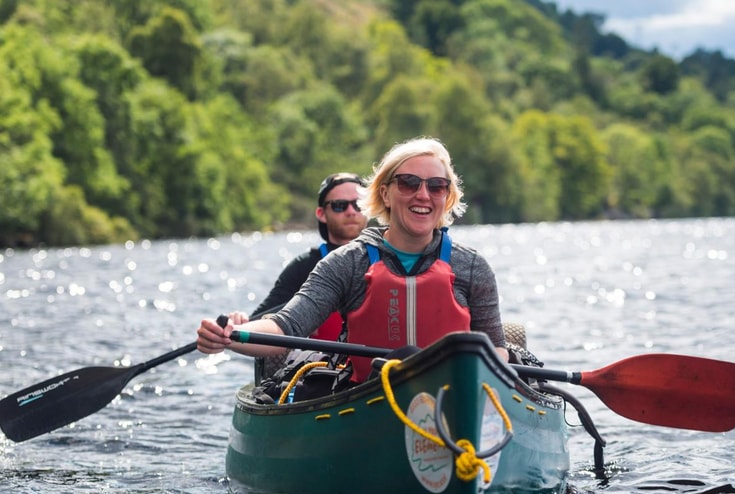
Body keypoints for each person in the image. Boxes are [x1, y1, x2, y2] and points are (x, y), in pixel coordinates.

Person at [198, 136, 508, 382]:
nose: (423, 195)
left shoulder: (472, 266)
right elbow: (284, 329)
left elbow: (496, 350)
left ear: (447, 197)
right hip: (369, 396)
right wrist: (228, 337)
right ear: (385, 194)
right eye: (409, 183)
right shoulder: (347, 263)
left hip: (453, 396)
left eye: (437, 186)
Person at [229, 172, 367, 342]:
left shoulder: (388, 257)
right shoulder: (304, 266)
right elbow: (262, 319)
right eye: (340, 205)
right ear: (321, 214)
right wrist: (239, 325)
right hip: (325, 364)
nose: (351, 212)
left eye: (358, 204)